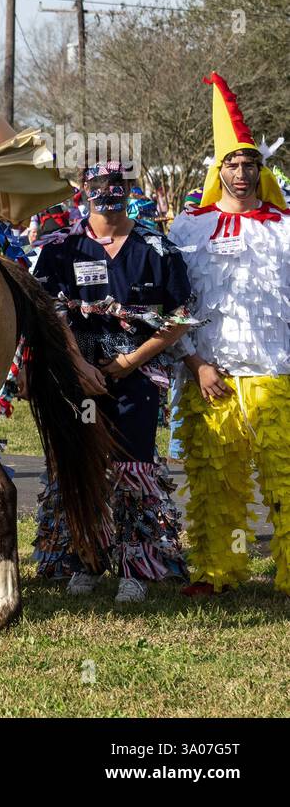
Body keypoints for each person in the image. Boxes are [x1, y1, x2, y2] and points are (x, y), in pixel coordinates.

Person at [31, 160, 193, 602]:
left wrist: (129, 362)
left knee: (133, 467)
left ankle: (135, 566)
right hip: (77, 379)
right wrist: (80, 367)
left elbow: (180, 317)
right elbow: (49, 312)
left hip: (136, 377)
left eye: (117, 184)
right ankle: (84, 559)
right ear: (84, 191)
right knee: (80, 463)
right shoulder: (62, 248)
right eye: (99, 185)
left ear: (129, 190)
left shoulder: (157, 247)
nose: (109, 192)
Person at [168, 72, 290, 597]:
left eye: (250, 164)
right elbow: (173, 306)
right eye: (232, 164)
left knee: (283, 481)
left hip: (274, 370)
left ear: (263, 171)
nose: (241, 172)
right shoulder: (188, 229)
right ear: (218, 172)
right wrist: (195, 363)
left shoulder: (285, 230)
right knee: (215, 480)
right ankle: (218, 571)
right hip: (209, 372)